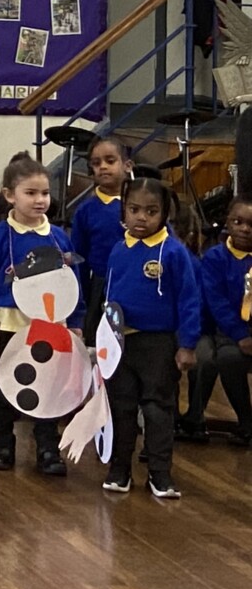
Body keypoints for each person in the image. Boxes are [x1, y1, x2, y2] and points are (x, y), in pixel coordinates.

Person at [0, 151, 79, 476]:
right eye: (30, 193)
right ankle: (2, 444)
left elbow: (72, 285)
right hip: (7, 324)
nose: (40, 200)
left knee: (47, 386)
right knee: (3, 387)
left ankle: (47, 447)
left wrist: (73, 322)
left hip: (48, 327)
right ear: (9, 196)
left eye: (44, 193)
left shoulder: (58, 238)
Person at [101, 177, 201, 499]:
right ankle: (119, 470)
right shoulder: (119, 249)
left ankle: (160, 474)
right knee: (122, 408)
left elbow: (189, 299)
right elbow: (107, 296)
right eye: (134, 210)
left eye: (151, 211)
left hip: (158, 345)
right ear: (124, 211)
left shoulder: (173, 252)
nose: (141, 217)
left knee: (158, 410)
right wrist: (101, 339)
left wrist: (187, 344)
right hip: (121, 344)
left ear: (165, 213)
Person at [190, 195, 252, 445]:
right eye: (238, 222)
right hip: (225, 331)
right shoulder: (215, 257)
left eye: (251, 224)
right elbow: (217, 302)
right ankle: (243, 422)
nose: (245, 229)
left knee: (226, 355)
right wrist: (241, 335)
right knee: (219, 358)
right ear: (228, 221)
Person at [68, 135, 131, 340]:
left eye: (110, 161)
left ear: (127, 165)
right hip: (100, 288)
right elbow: (79, 260)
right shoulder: (86, 211)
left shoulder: (144, 206)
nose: (103, 167)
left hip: (136, 284)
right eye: (96, 163)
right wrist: (81, 305)